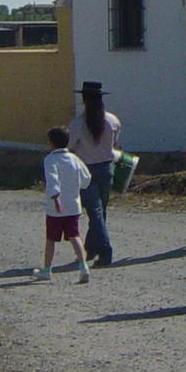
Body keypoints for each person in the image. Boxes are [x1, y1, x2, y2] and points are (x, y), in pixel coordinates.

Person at [68, 81, 120, 268]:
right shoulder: (112, 120)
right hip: (107, 168)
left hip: (86, 170)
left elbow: (69, 146)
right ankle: (91, 248)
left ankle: (105, 251)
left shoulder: (78, 123)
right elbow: (115, 144)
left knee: (95, 212)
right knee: (100, 211)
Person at [34, 125, 91, 284]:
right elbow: (86, 179)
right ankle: (84, 266)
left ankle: (47, 269)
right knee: (75, 236)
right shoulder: (74, 159)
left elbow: (53, 180)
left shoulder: (50, 159)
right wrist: (75, 187)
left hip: (55, 207)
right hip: (74, 205)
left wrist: (56, 198)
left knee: (51, 238)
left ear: (51, 143)